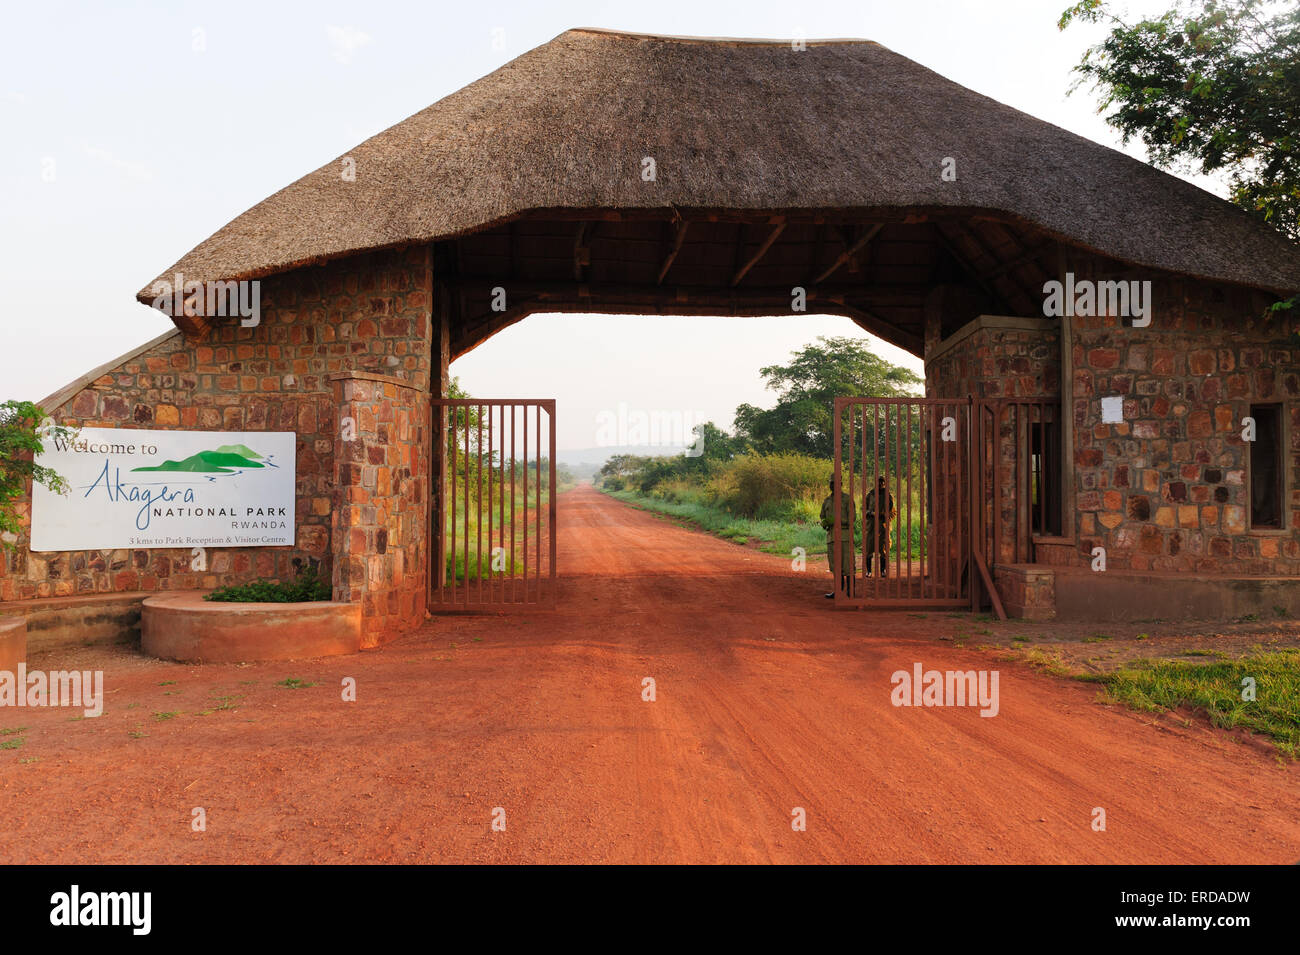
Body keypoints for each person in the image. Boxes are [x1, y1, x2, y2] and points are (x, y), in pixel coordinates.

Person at [819, 475, 856, 598]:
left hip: (845, 536)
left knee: (848, 565)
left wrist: (838, 520)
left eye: (835, 483)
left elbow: (852, 518)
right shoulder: (827, 501)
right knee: (836, 566)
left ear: (840, 484)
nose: (832, 486)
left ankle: (850, 592)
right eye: (831, 483)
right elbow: (822, 516)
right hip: (832, 537)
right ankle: (838, 591)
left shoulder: (847, 499)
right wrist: (825, 522)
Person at [865, 475, 896, 578]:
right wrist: (869, 513)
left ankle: (883, 570)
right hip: (871, 527)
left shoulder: (888, 496)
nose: (880, 484)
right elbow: (864, 509)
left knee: (883, 549)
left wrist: (885, 516)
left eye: (882, 483)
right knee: (868, 548)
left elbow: (893, 512)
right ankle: (868, 571)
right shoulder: (870, 495)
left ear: (884, 484)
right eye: (878, 482)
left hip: (883, 527)